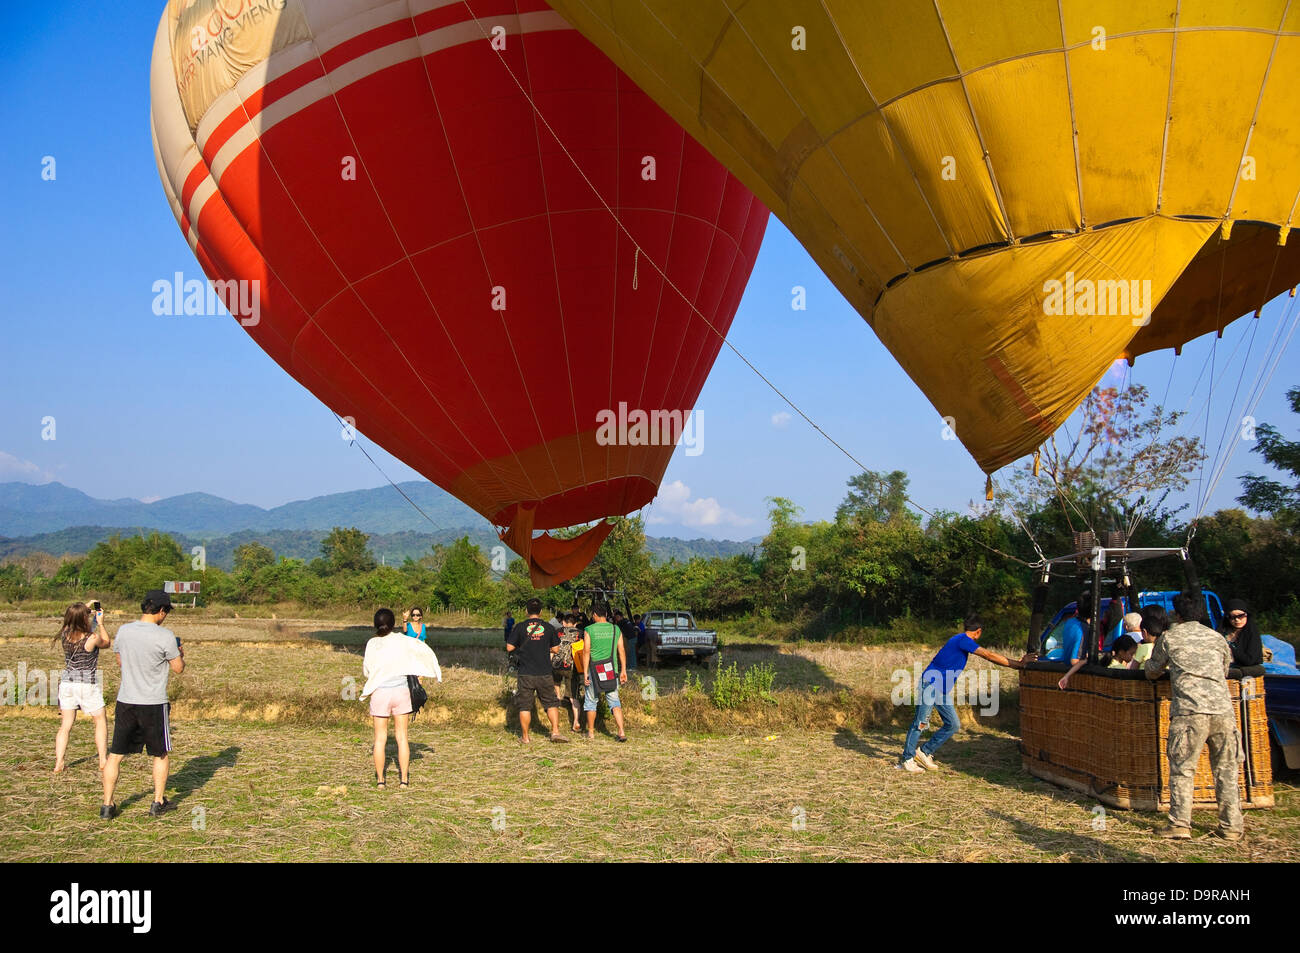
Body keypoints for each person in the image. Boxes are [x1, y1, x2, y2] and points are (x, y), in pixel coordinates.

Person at [1144, 590, 1243, 841]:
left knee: (1183, 769)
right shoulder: (1217, 638)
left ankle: (1180, 823)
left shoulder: (1169, 637)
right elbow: (1224, 669)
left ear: (1176, 614)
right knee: (1227, 770)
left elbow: (1152, 671)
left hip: (1189, 712)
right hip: (1223, 711)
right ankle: (1231, 826)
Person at [898, 615, 1028, 772]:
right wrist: (1018, 665)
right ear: (978, 631)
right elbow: (989, 655)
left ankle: (924, 752)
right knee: (920, 723)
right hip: (930, 684)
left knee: (953, 724)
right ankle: (907, 759)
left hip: (940, 689)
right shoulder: (963, 640)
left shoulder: (958, 639)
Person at [100, 590, 184, 820]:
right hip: (153, 703)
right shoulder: (165, 635)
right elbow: (178, 668)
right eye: (166, 611)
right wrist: (180, 653)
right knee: (160, 754)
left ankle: (107, 805)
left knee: (115, 754)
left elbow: (119, 660)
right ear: (161, 611)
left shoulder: (124, 631)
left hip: (126, 700)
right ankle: (158, 801)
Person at [361, 608, 442, 788]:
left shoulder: (372, 643)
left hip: (380, 692)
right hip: (401, 692)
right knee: (402, 737)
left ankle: (381, 781)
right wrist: (434, 672)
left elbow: (367, 671)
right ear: (393, 624)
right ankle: (404, 780)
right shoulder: (401, 640)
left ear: (375, 625)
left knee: (380, 739)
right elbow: (422, 651)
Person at [53, 602, 112, 775]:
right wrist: (100, 623)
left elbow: (75, 614)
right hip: (86, 684)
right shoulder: (91, 638)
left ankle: (59, 763)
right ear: (84, 619)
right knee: (100, 719)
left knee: (65, 725)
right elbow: (107, 642)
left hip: (67, 683)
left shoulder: (64, 633)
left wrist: (86, 607)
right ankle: (102, 760)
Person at [505, 598, 569, 744]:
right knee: (551, 702)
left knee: (525, 705)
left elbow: (509, 647)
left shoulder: (520, 627)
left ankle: (525, 737)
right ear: (540, 612)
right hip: (544, 672)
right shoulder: (548, 627)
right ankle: (555, 732)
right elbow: (556, 649)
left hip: (525, 672)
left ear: (526, 611)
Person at [582, 602, 628, 742]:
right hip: (611, 671)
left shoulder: (589, 629)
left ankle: (591, 732)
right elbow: (621, 651)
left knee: (591, 701)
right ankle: (621, 731)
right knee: (614, 702)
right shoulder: (615, 629)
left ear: (594, 615)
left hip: (594, 671)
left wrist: (585, 673)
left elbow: (586, 652)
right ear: (606, 615)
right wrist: (623, 670)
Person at [1057, 633, 1140, 689]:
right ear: (1121, 652)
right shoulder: (1121, 669)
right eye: (1131, 654)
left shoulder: (1101, 657)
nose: (1133, 657)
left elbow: (1081, 662)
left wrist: (1066, 676)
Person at [553, 613, 584, 732]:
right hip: (572, 666)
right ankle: (576, 722)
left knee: (556, 682)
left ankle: (558, 697)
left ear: (564, 622)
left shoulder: (557, 631)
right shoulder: (580, 633)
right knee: (573, 696)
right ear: (575, 623)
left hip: (556, 664)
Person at [1220, 599, 1263, 668]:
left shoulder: (1251, 632)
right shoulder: (1222, 631)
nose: (1237, 620)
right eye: (1232, 617)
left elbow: (1250, 660)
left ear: (1246, 614)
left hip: (1245, 668)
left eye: (1240, 616)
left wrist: (1229, 649)